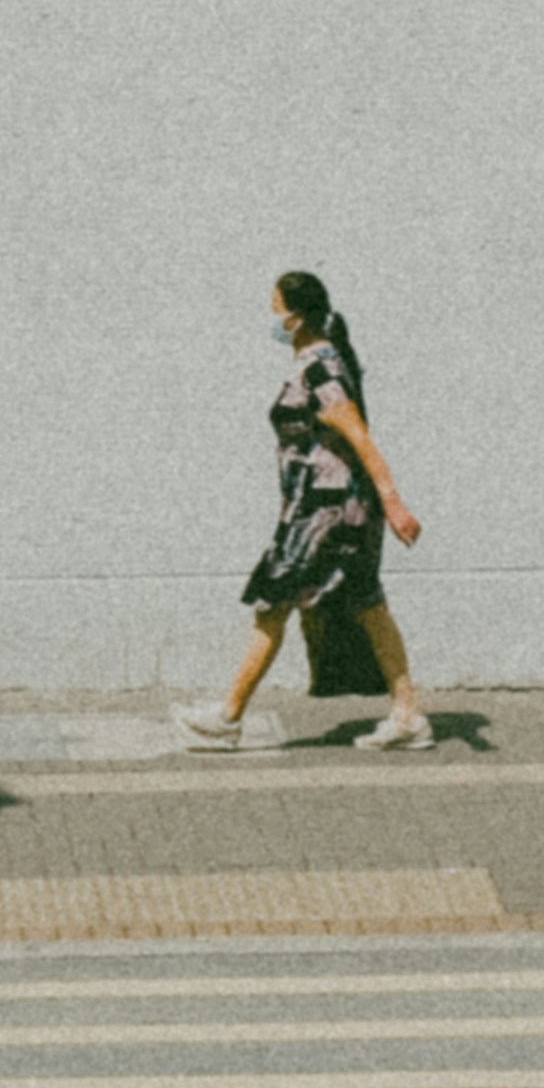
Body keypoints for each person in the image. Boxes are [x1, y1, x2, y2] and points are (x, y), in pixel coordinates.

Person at [180, 269, 436, 753]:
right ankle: (408, 716)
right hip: (330, 506)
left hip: (326, 513)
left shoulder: (320, 370)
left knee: (273, 603)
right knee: (367, 603)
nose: (272, 317)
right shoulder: (317, 362)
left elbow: (360, 438)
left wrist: (395, 502)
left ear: (295, 318)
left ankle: (227, 719)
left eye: (275, 308)